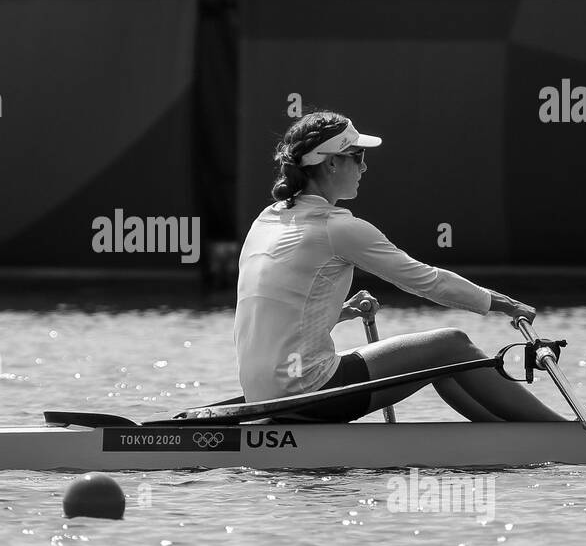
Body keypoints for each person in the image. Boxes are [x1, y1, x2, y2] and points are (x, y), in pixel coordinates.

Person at [234, 110, 566, 422]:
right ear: (332, 163)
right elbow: (426, 281)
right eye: (358, 157)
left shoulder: (266, 220)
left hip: (262, 393)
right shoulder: (338, 228)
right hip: (306, 391)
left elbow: (278, 314)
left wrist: (343, 311)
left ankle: (517, 438)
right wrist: (504, 304)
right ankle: (566, 433)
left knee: (440, 362)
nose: (364, 168)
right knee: (451, 344)